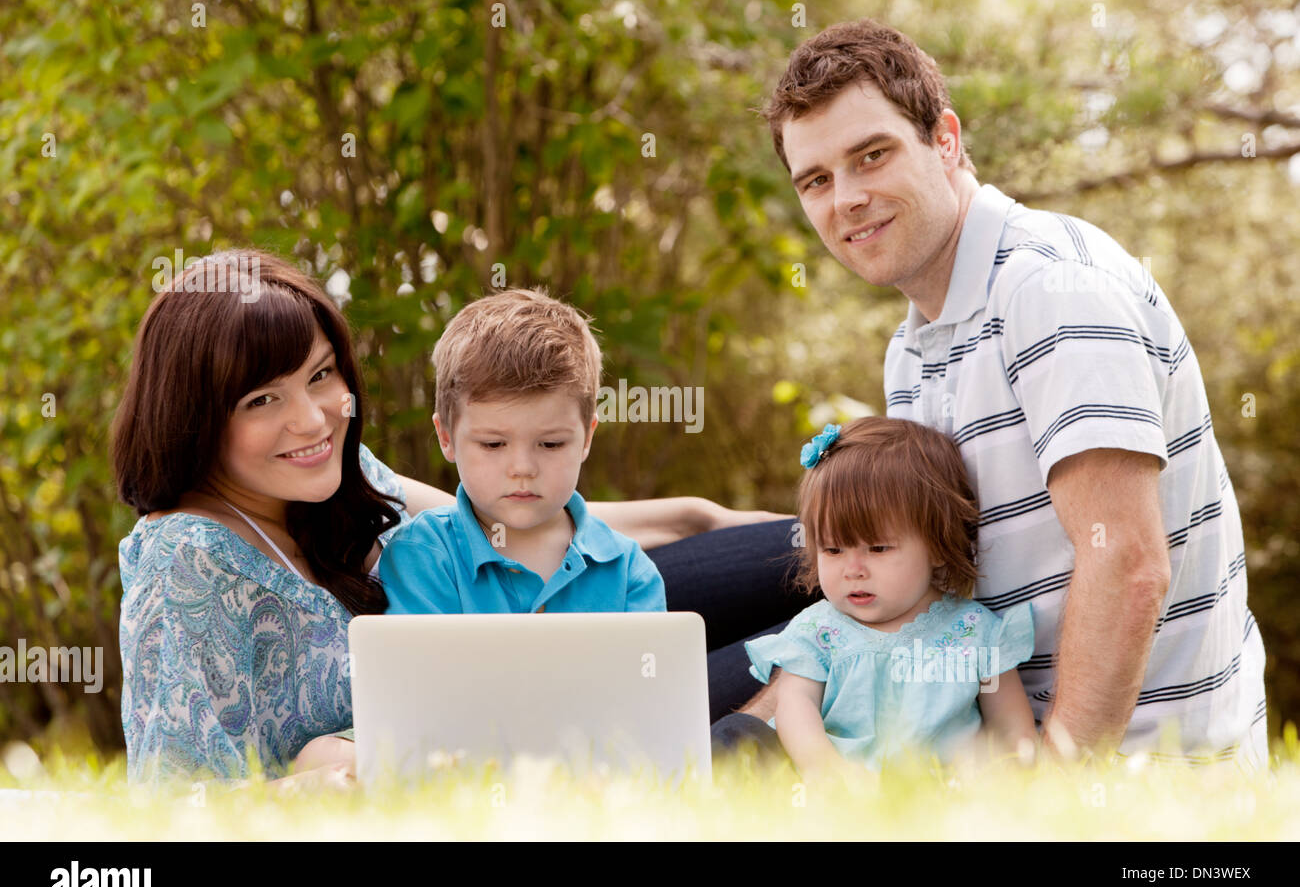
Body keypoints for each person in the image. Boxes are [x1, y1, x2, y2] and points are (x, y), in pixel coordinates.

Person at [721, 18, 1267, 770]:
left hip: (1136, 772)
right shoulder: (912, 350)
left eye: (870, 155)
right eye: (815, 180)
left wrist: (1049, 793)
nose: (845, 199)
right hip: (977, 761)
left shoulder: (1053, 288)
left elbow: (1129, 562)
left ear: (944, 140)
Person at [112, 251, 772, 785]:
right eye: (262, 399)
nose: (312, 420)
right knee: (813, 634)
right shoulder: (186, 562)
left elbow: (521, 519)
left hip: (548, 671)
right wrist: (297, 791)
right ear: (195, 414)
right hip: (469, 754)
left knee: (830, 565)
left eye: (320, 377)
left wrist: (701, 517)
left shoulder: (341, 474)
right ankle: (763, 733)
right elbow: (173, 804)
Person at [744, 418, 1036, 779]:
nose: (853, 569)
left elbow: (1011, 728)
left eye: (878, 548)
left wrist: (1014, 781)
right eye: (833, 549)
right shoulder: (819, 631)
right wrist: (829, 773)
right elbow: (794, 706)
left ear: (938, 545)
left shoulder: (974, 633)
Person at [377, 287, 666, 615]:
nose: (523, 468)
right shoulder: (424, 556)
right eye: (493, 444)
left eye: (551, 444)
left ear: (587, 438)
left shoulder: (629, 573)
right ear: (445, 436)